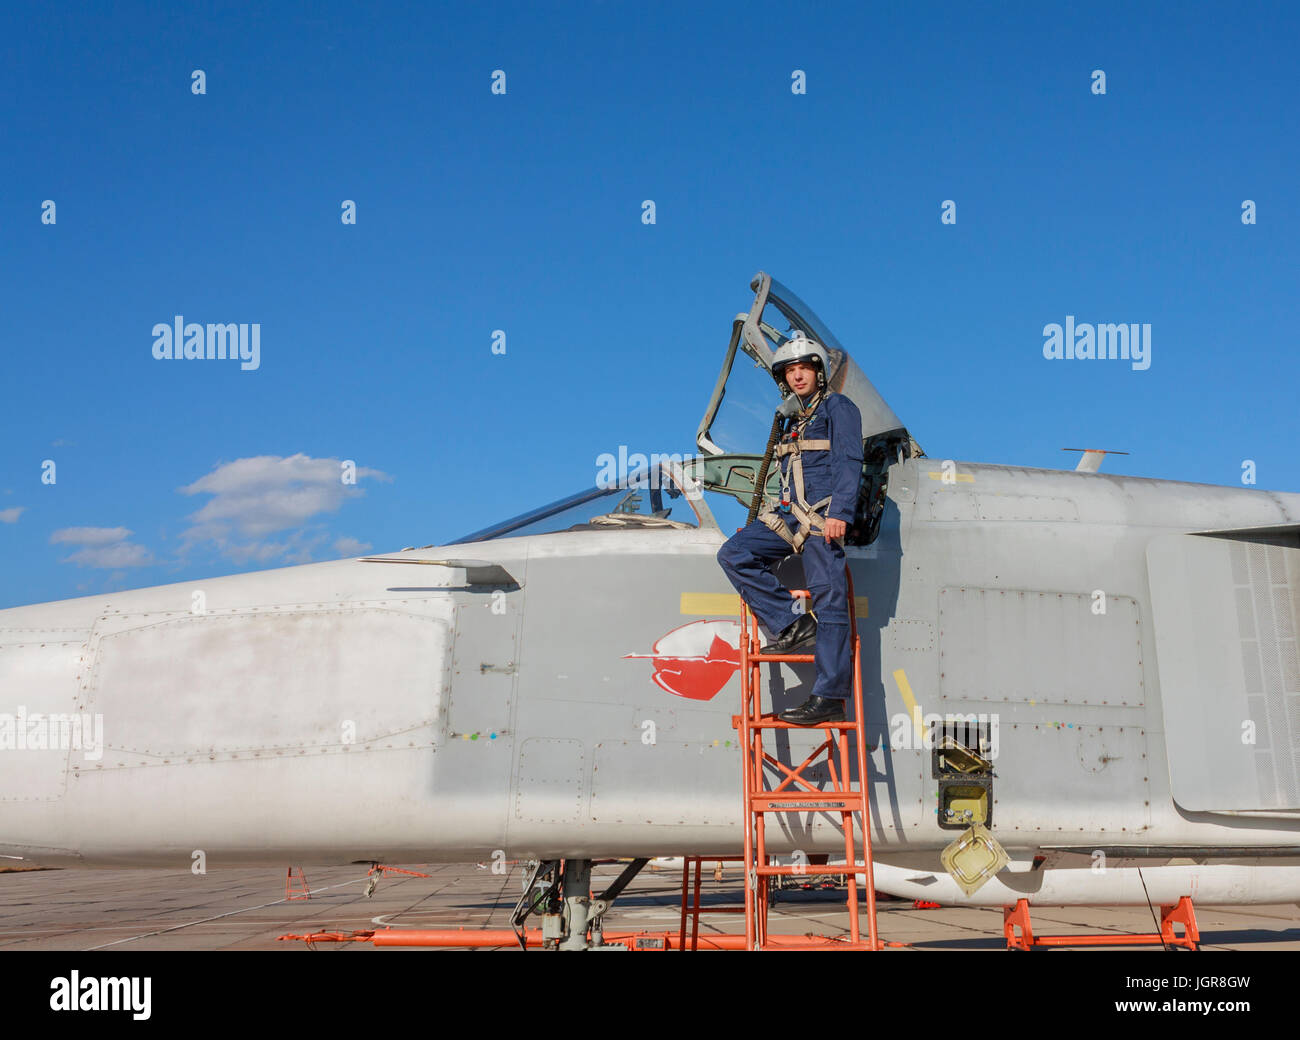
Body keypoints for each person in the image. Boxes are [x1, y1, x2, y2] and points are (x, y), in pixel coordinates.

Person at [716, 332, 863, 725]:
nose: (798, 376)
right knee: (734, 553)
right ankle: (793, 624)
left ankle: (829, 695)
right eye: (791, 371)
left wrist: (841, 513)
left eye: (804, 369)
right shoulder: (794, 420)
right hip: (789, 516)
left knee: (829, 600)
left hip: (821, 518)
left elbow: (849, 462)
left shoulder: (839, 408)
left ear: (819, 372)